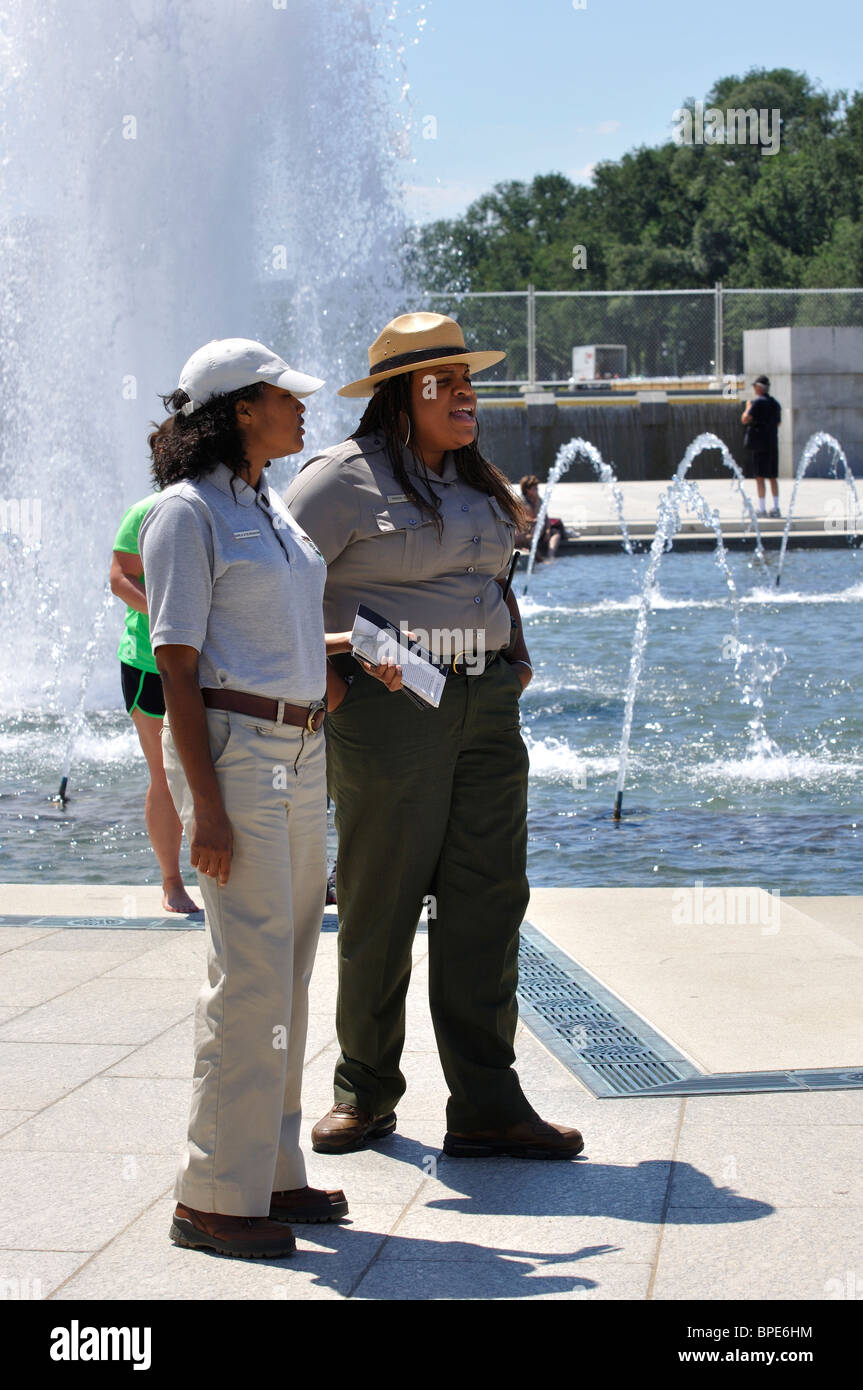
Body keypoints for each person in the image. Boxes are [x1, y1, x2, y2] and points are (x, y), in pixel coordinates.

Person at [286, 312, 585, 1161]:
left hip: (486, 704)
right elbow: (276, 593)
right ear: (398, 395)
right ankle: (364, 1095)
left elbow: (495, 579)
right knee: (380, 901)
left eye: (467, 381)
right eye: (442, 382)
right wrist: (335, 686)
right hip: (387, 714)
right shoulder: (337, 481)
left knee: (489, 899)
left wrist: (515, 655)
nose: (464, 395)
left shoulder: (479, 479)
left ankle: (487, 1104)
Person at [139, 337, 348, 1259]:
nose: (300, 408)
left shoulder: (261, 506)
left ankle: (269, 1168)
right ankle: (211, 1196)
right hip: (240, 756)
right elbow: (176, 667)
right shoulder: (185, 516)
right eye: (282, 396)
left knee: (290, 966)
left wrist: (334, 677)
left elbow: (277, 637)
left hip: (298, 747)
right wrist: (204, 809)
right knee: (250, 971)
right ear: (237, 409)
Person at [110, 488, 200, 915]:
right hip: (148, 662)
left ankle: (225, 875)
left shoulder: (219, 504)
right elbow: (118, 578)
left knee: (218, 768)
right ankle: (171, 882)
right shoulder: (144, 511)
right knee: (164, 773)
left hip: (204, 659)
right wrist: (164, 614)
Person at [742, 374, 782, 517]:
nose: (753, 389)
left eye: (754, 386)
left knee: (759, 477)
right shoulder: (775, 403)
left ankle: (762, 508)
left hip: (759, 444)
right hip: (772, 443)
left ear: (759, 388)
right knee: (772, 477)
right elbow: (778, 423)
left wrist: (747, 407)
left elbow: (745, 419)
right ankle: (776, 508)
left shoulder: (757, 403)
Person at [517, 474, 565, 558]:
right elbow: (518, 518)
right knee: (529, 539)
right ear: (527, 489)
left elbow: (545, 517)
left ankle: (551, 556)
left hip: (540, 530)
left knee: (556, 534)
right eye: (534, 488)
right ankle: (541, 561)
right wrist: (532, 520)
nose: (537, 489)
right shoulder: (520, 501)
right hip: (528, 531)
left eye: (536, 487)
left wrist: (547, 531)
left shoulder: (539, 499)